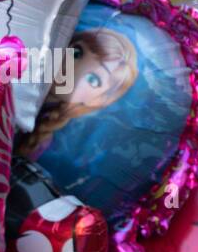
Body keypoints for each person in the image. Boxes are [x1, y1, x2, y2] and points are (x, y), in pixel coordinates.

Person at [18, 26, 139, 158]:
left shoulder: (38, 138)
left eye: (93, 79)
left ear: (97, 99)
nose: (74, 70)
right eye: (76, 53)